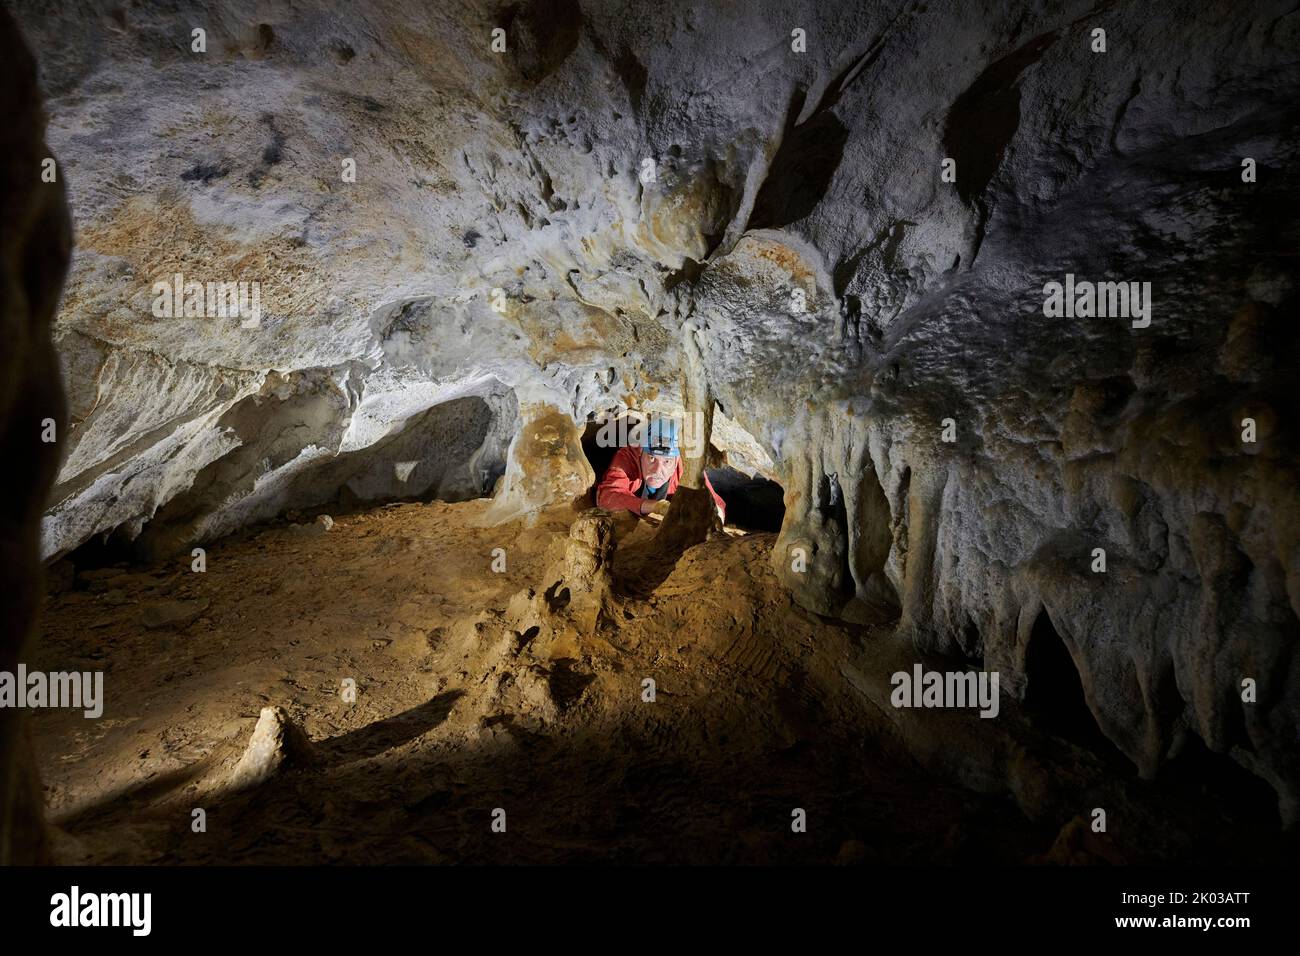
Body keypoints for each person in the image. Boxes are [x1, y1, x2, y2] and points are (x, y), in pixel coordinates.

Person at [596, 418, 726, 522]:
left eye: (667, 461)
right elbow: (607, 497)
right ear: (641, 452)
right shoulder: (627, 458)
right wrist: (656, 507)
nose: (658, 470)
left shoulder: (686, 467)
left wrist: (716, 518)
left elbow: (715, 502)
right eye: (652, 458)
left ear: (676, 462)